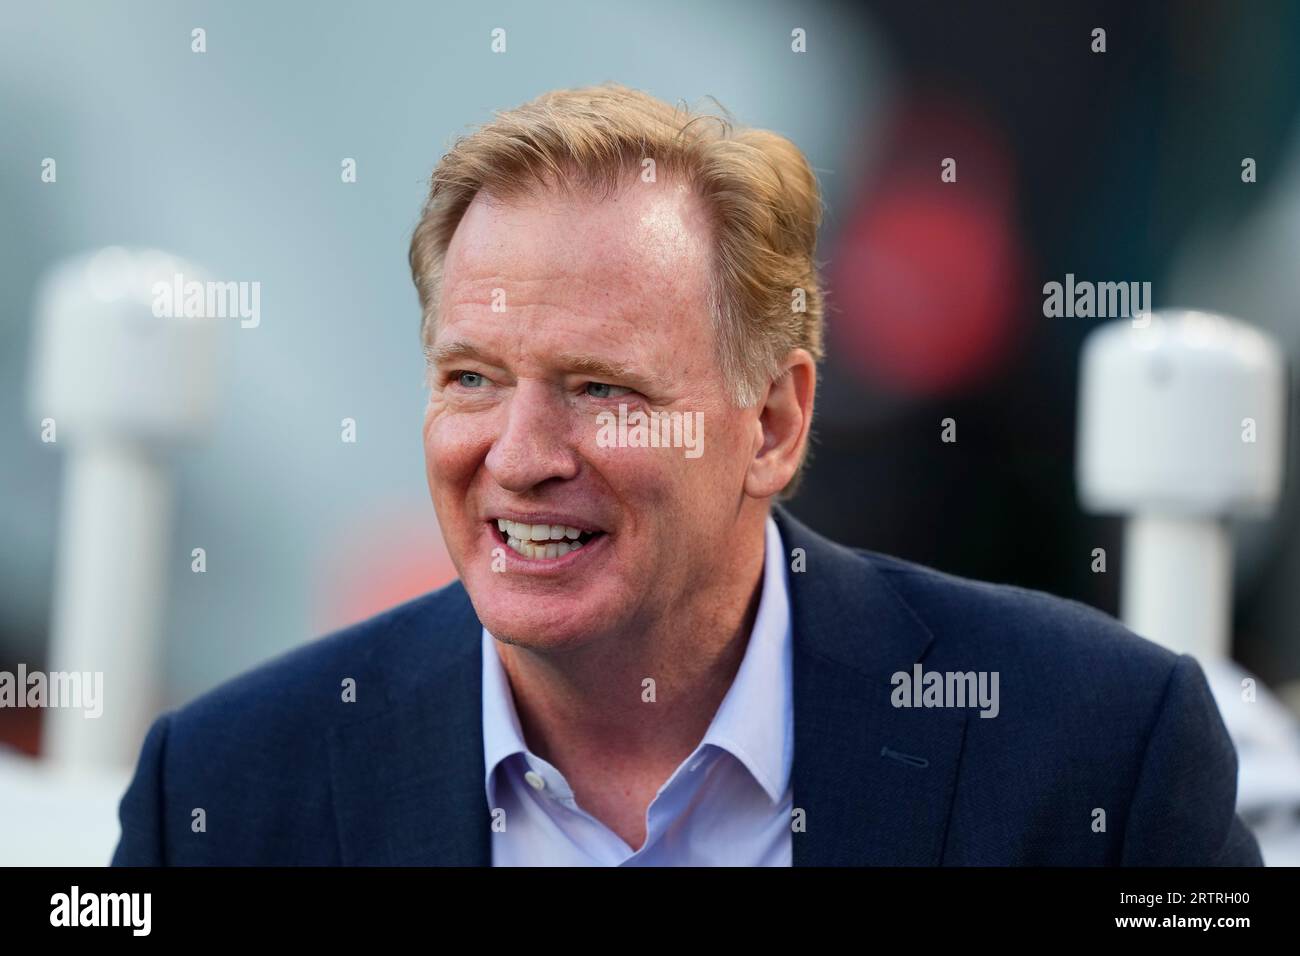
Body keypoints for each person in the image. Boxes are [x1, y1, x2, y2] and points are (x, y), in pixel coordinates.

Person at [112, 83, 1261, 866]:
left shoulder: (1099, 748)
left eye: (602, 387)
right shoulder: (223, 792)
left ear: (771, 421)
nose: (517, 454)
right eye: (470, 378)